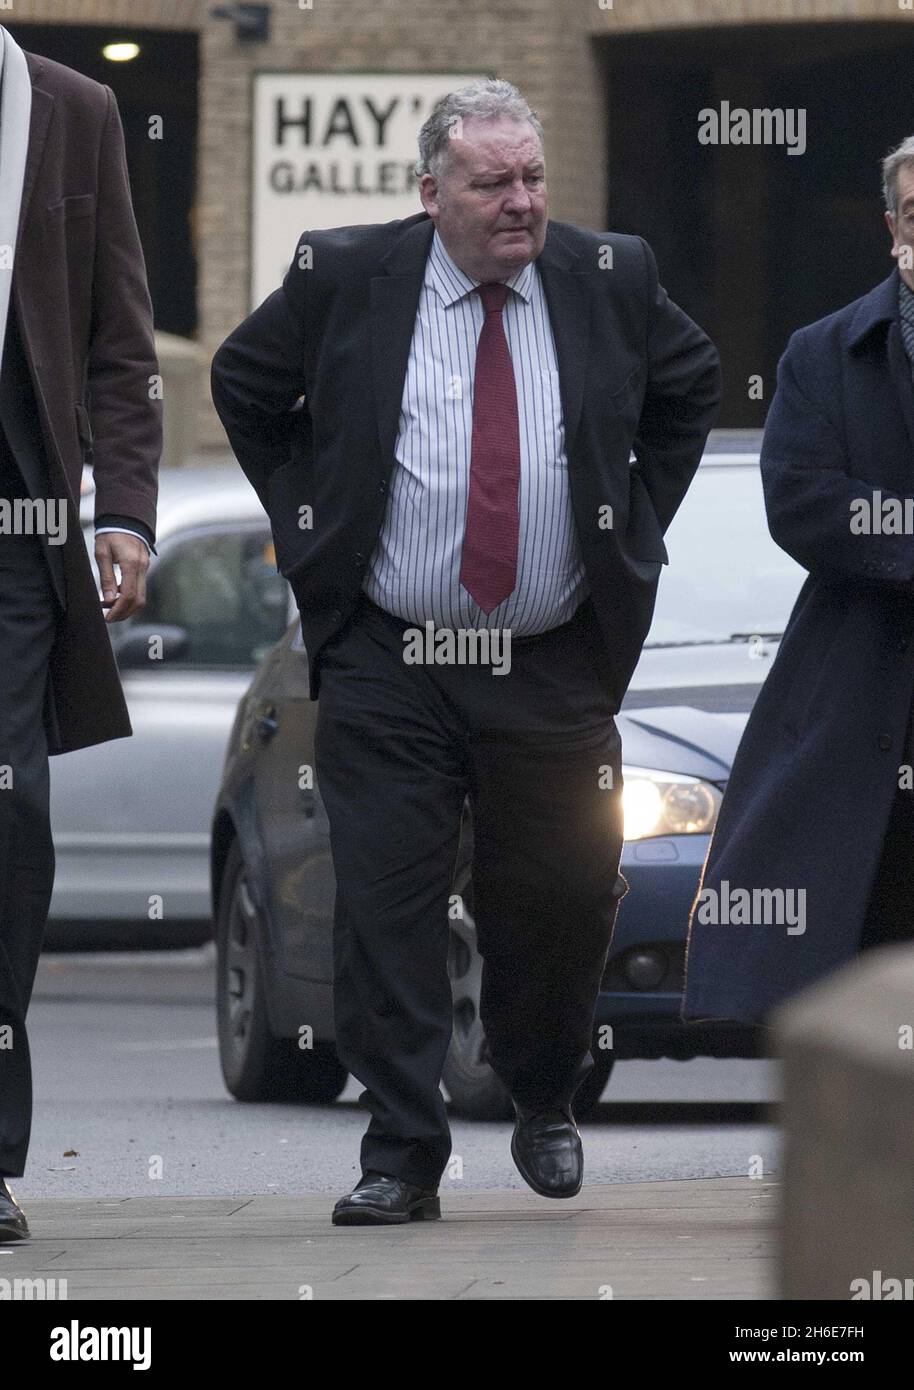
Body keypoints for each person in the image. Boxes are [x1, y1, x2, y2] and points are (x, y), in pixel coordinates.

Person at [212, 78, 721, 1224]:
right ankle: (400, 1153)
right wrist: (312, 536)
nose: (518, 203)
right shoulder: (343, 274)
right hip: (392, 655)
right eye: (491, 183)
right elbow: (244, 386)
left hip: (546, 660)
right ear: (429, 191)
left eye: (532, 179)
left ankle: (541, 1092)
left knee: (557, 896)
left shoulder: (610, 277)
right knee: (384, 902)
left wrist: (625, 527)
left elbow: (688, 391)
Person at [682, 134, 914, 1026]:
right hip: (866, 698)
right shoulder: (823, 355)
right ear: (891, 227)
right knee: (865, 947)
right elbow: (804, 500)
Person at [0, 28, 160, 1241]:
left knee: (11, 820)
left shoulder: (73, 109)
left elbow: (118, 331)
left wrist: (126, 513)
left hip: (18, 535)